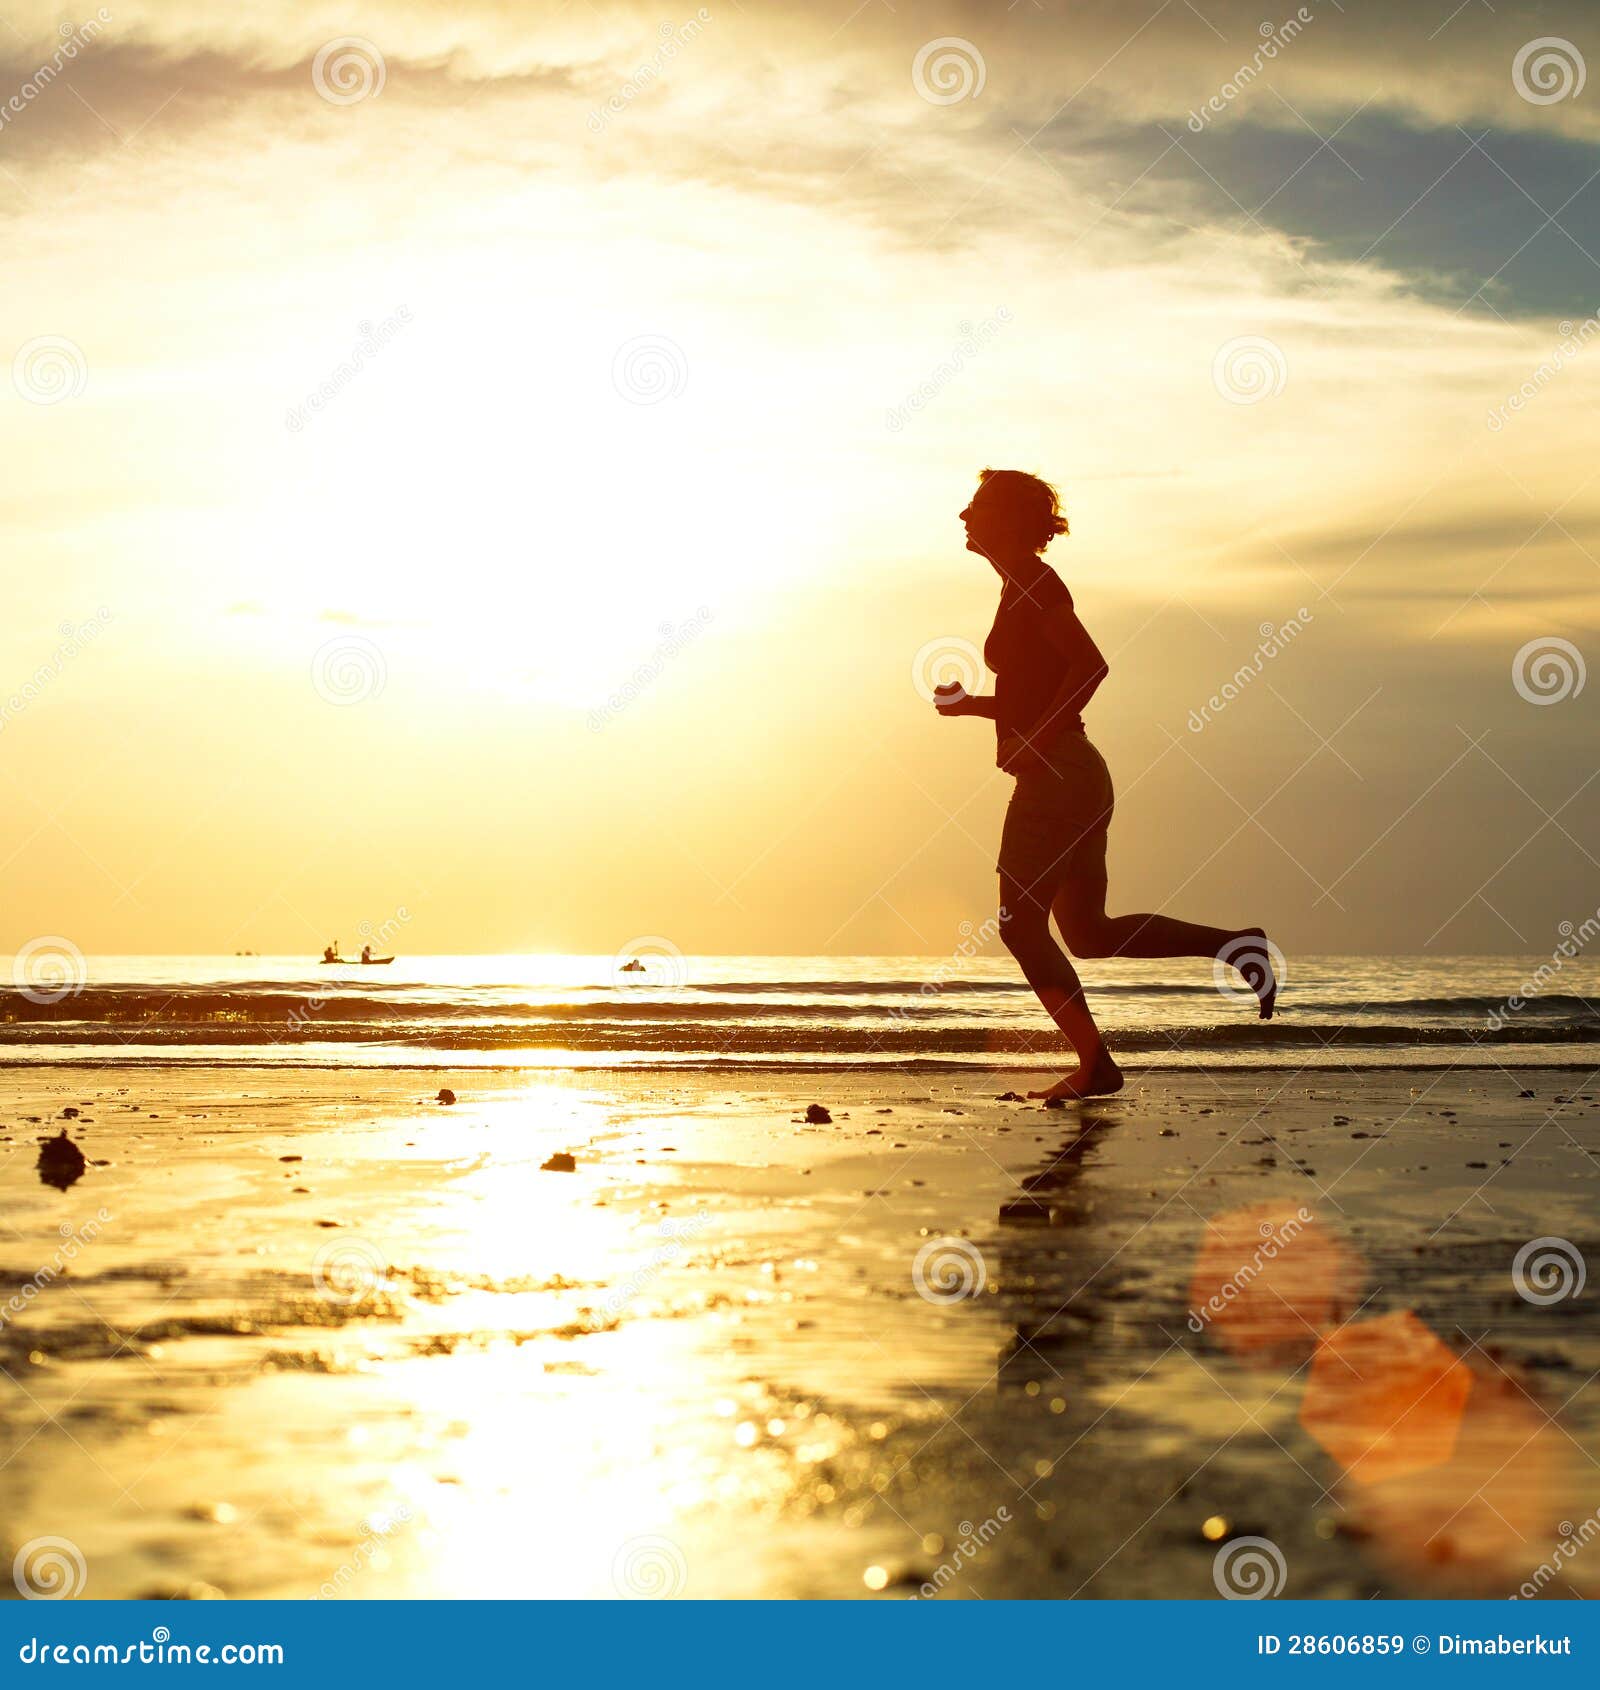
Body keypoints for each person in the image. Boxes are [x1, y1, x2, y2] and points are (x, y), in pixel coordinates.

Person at [935, 468, 1278, 1100]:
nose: (962, 515)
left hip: (1058, 777)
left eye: (975, 505)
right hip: (1077, 773)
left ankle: (1096, 1062)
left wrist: (1035, 740)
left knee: (1018, 925)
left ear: (1006, 520)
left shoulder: (1035, 584)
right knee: (1088, 934)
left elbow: (1092, 665)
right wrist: (976, 708)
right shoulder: (1017, 589)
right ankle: (1234, 945)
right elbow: (1037, 691)